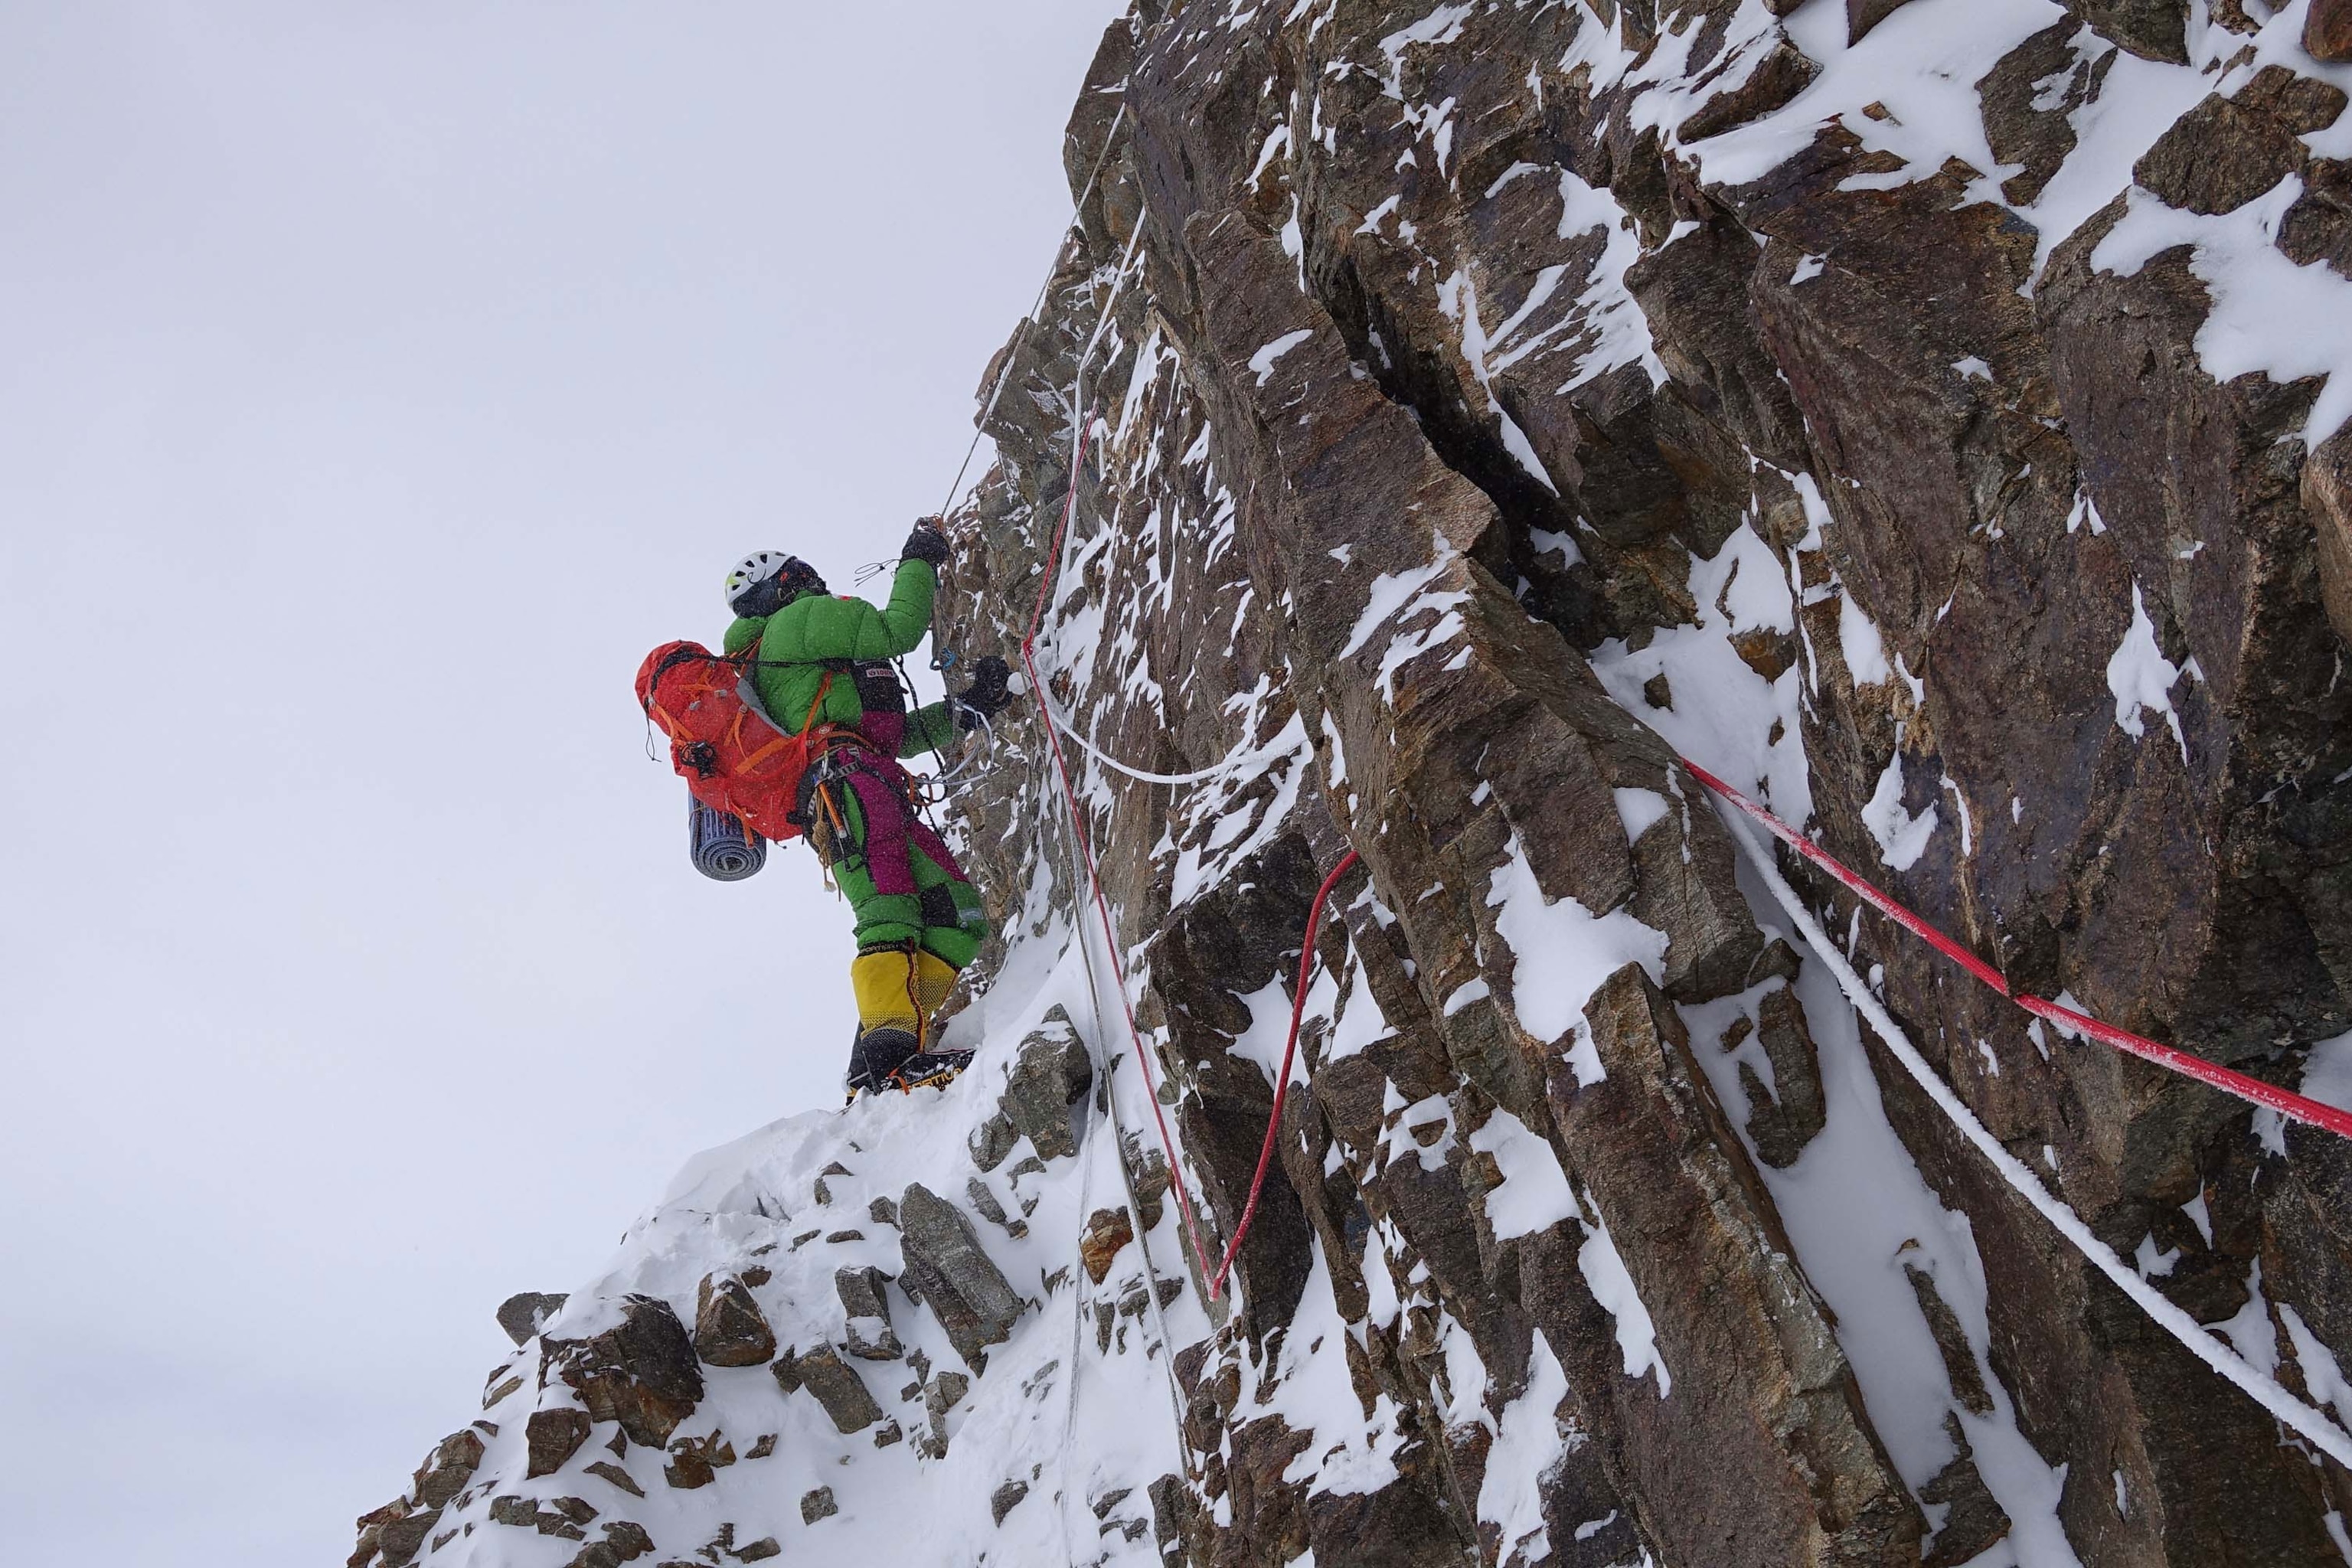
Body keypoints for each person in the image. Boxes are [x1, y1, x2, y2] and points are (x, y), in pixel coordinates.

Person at [720, 520, 1014, 1093]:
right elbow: (898, 628)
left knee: (958, 917)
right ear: (783, 586)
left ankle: (883, 1046)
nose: (813, 579)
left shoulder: (795, 657)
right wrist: (919, 561)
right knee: (888, 914)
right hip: (846, 788)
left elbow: (892, 735)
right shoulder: (797, 621)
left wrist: (970, 707)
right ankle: (889, 1066)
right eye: (800, 573)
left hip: (861, 784)